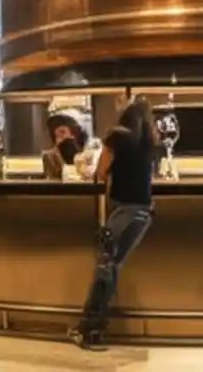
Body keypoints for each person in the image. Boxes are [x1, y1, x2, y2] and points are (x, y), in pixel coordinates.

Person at [74, 96, 156, 350]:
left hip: (122, 213)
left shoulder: (116, 138)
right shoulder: (148, 143)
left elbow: (99, 171)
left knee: (104, 270)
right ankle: (95, 327)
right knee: (113, 268)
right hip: (143, 215)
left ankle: (90, 329)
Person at [42, 110, 90, 181]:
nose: (60, 137)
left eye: (62, 132)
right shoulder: (50, 156)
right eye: (57, 134)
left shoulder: (85, 154)